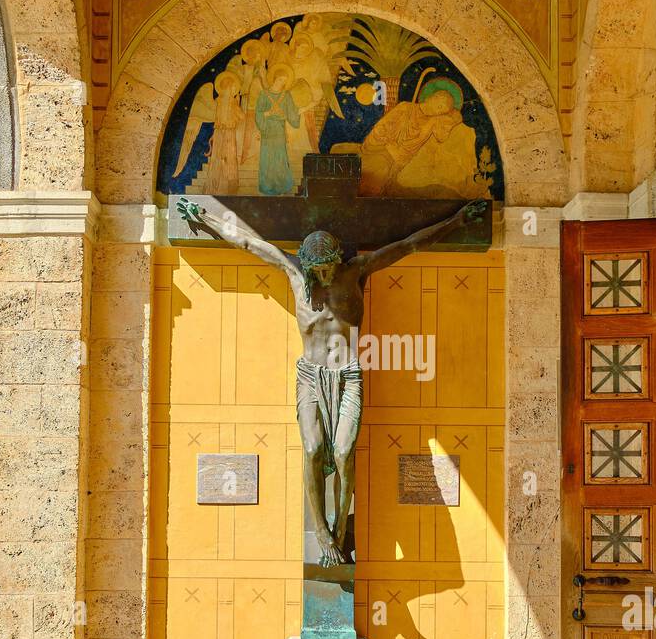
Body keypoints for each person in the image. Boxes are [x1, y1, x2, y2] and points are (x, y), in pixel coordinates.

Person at [177, 195, 487, 566]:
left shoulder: (357, 271)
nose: (325, 275)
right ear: (307, 264)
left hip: (349, 374)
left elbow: (409, 245)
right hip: (310, 375)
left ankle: (340, 529)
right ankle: (323, 532)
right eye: (318, 269)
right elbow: (248, 241)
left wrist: (456, 221)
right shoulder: (293, 272)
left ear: (338, 259)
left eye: (329, 268)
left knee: (342, 452)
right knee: (312, 450)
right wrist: (205, 217)